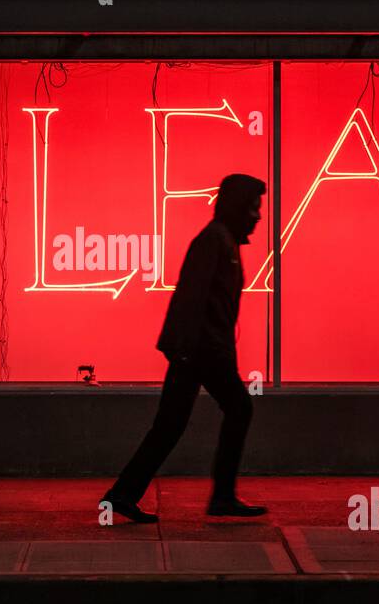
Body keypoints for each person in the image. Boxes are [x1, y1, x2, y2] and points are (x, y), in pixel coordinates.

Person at [102, 173, 268, 523]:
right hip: (202, 351)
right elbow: (190, 297)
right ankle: (222, 497)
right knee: (239, 409)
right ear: (239, 207)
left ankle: (122, 494)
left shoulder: (224, 241)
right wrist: (185, 348)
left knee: (170, 425)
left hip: (197, 351)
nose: (258, 215)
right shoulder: (215, 241)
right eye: (253, 207)